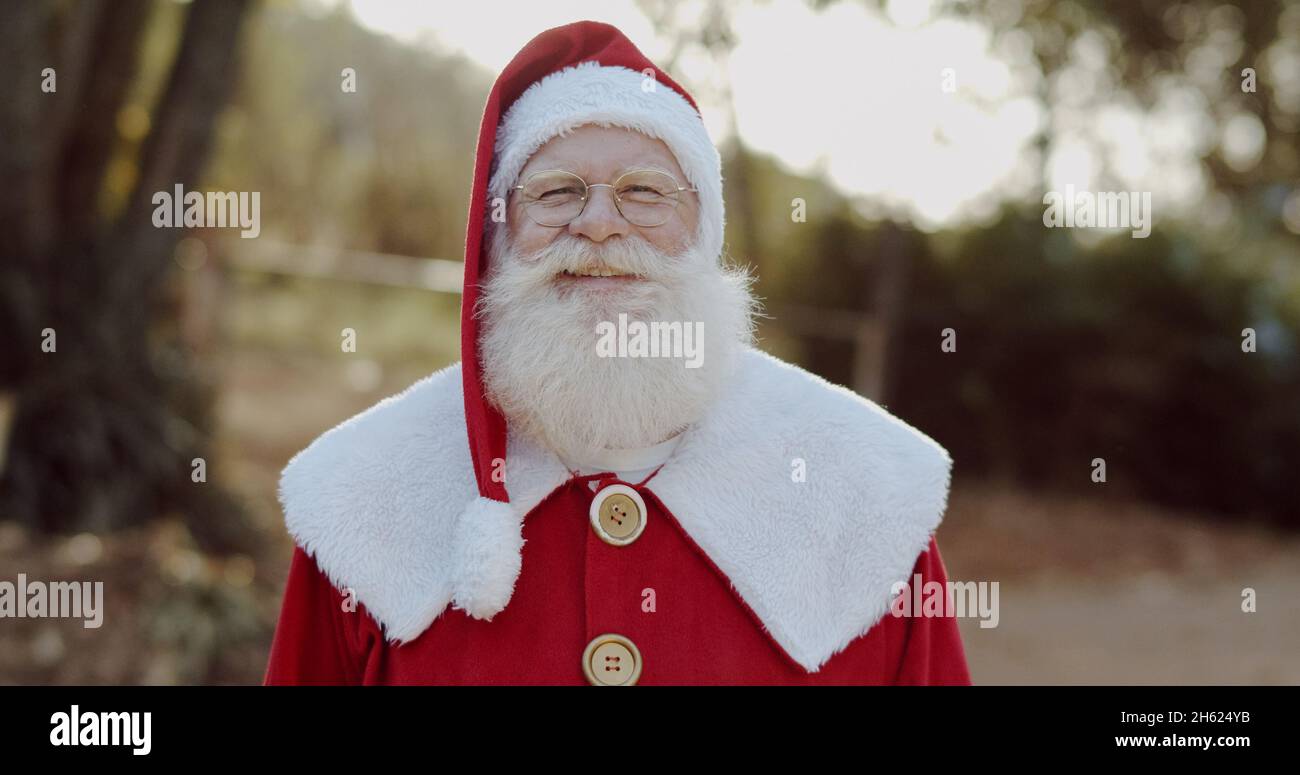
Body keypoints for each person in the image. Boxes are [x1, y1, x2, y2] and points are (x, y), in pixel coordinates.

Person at [264, 20, 970, 685]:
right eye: (557, 192)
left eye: (645, 193)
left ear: (705, 233)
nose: (599, 223)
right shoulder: (360, 494)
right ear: (499, 236)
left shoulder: (870, 490)